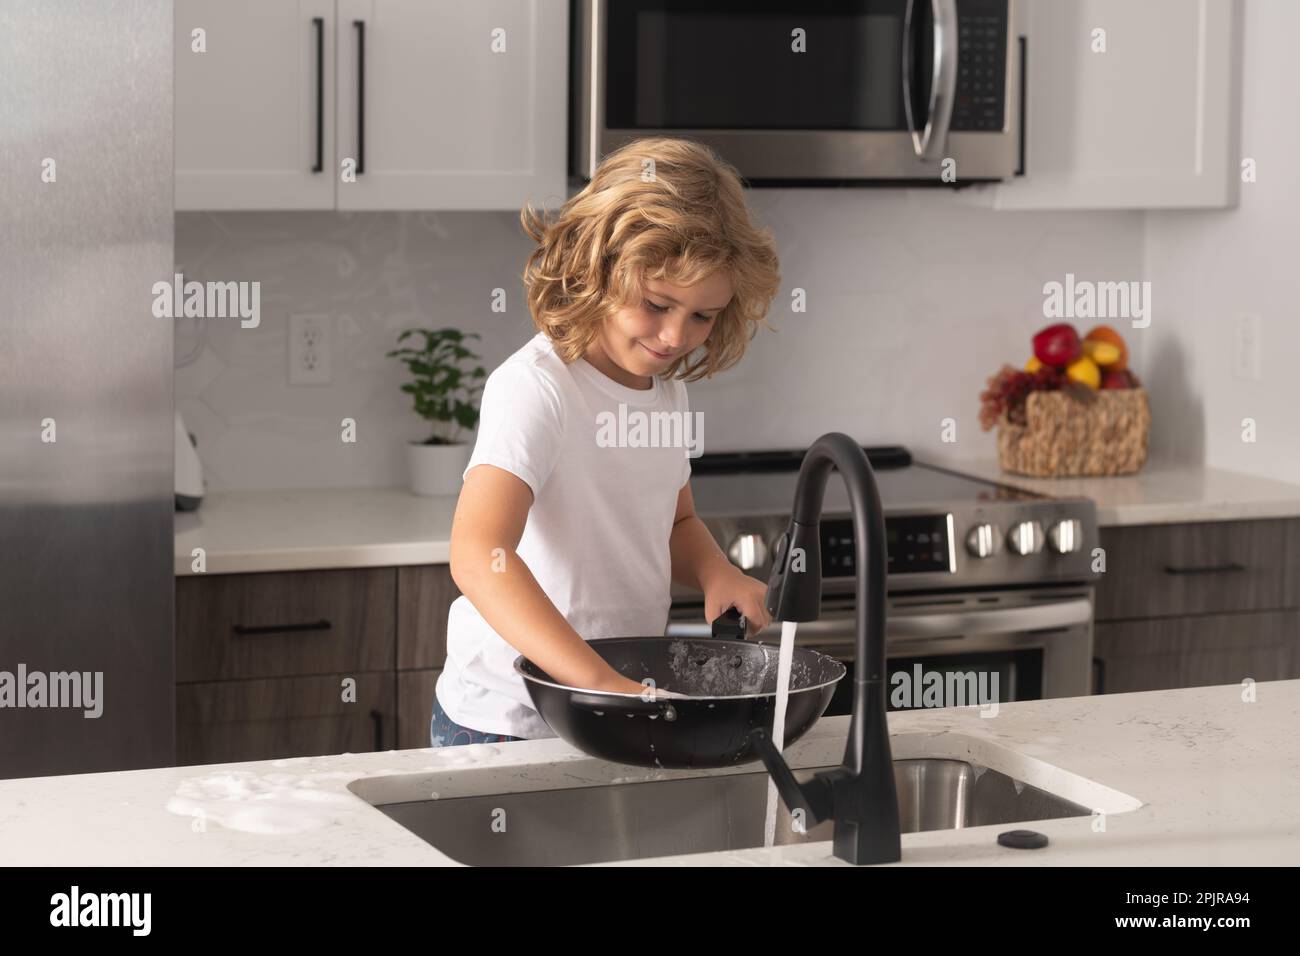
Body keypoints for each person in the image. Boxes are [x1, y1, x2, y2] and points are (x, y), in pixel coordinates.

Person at [430, 137, 781, 747]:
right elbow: (479, 555)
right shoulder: (539, 388)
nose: (676, 336)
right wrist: (596, 679)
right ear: (598, 268)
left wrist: (715, 571)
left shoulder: (665, 393)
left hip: (613, 705)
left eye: (702, 315)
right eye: (658, 304)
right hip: (510, 720)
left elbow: (676, 523)